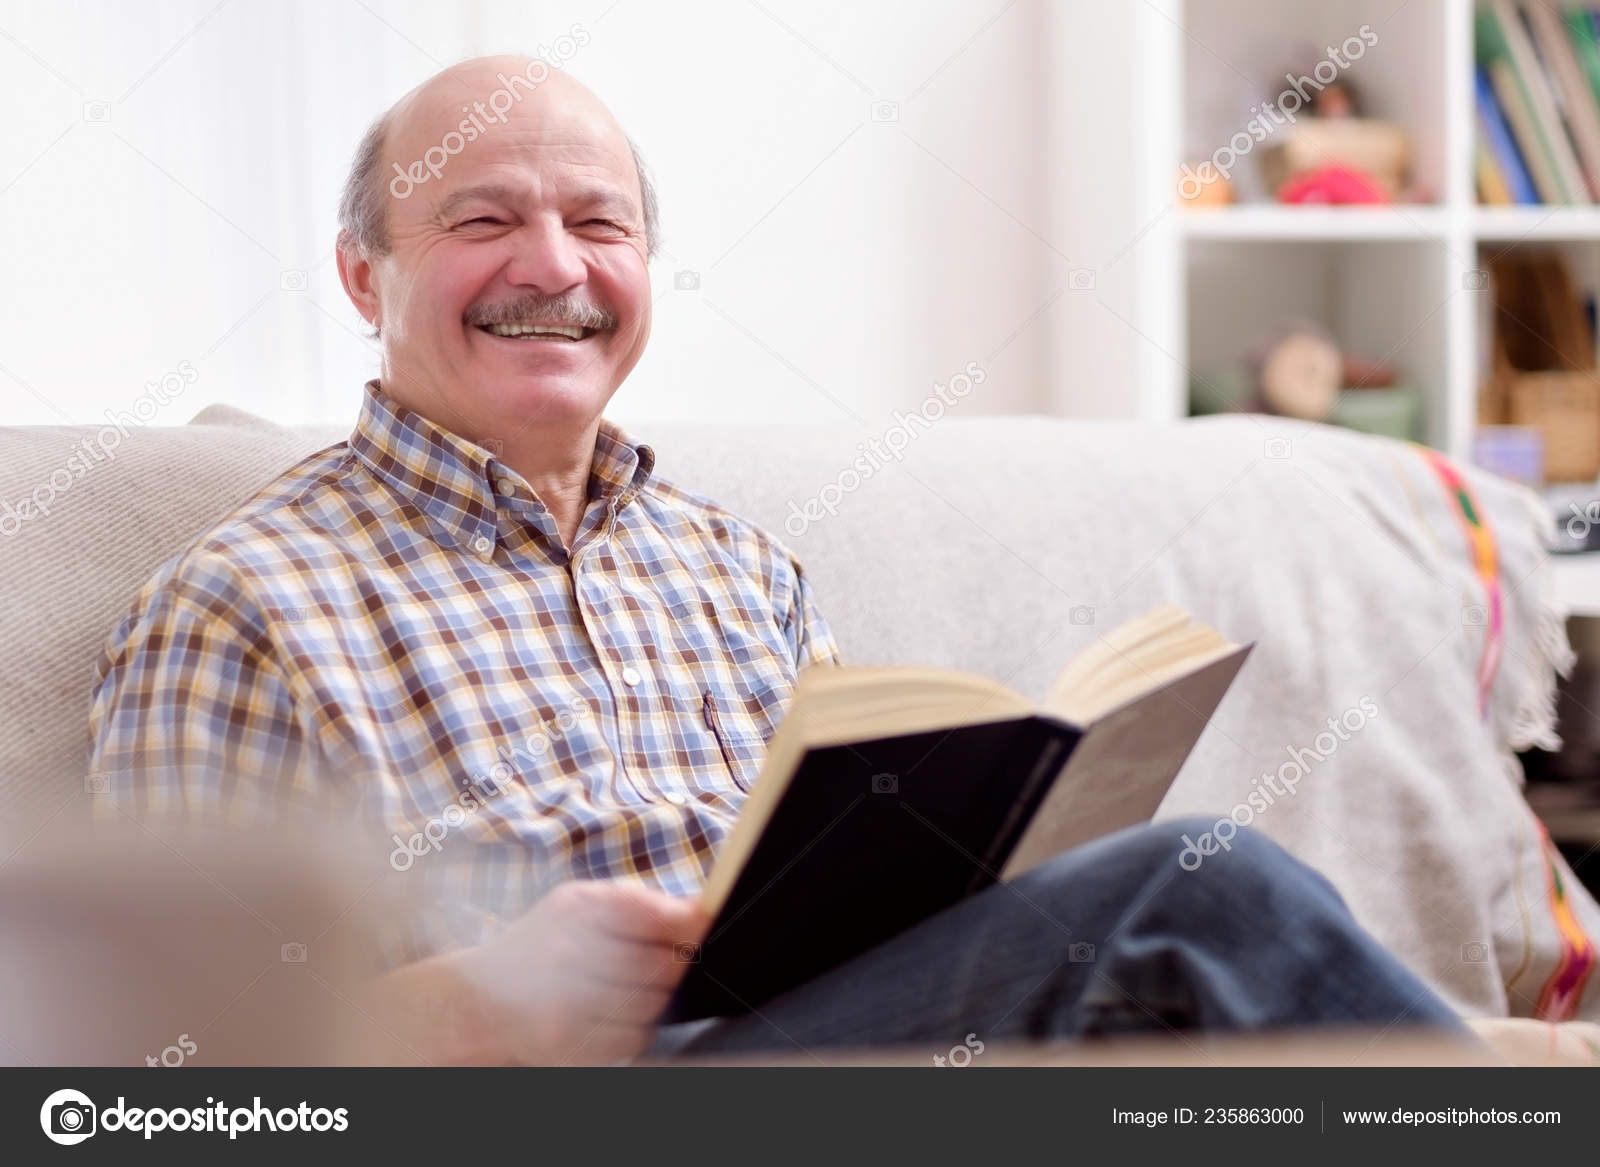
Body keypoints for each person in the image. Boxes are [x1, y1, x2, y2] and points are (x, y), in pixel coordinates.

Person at [88, 56, 1466, 1065]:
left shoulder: (739, 572)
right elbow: (158, 1073)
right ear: (360, 277)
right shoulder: (245, 606)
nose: (553, 265)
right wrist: (478, 1000)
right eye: (482, 220)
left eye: (600, 223)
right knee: (1194, 890)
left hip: (863, 1046)